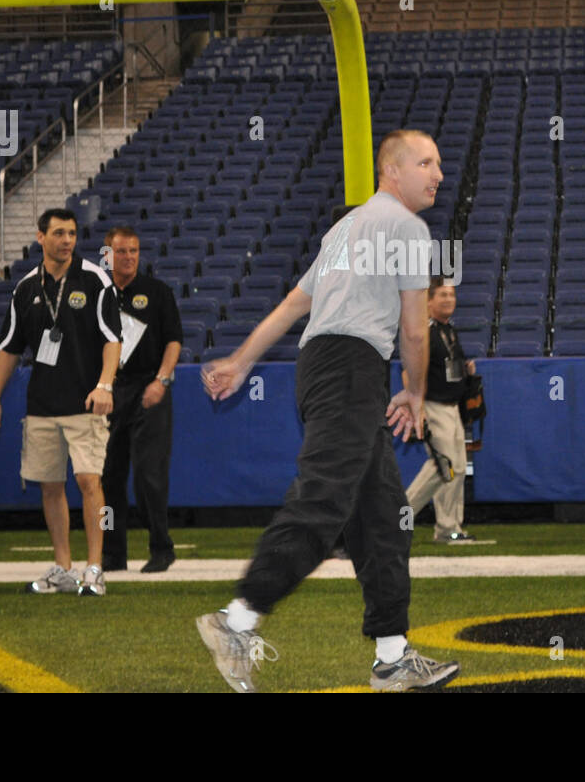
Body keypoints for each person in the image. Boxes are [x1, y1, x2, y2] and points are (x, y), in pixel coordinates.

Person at [196, 129, 460, 693]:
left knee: (383, 518)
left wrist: (242, 362)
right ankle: (236, 621)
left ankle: (391, 659)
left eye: (440, 163)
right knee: (322, 504)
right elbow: (415, 328)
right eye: (426, 162)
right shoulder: (409, 228)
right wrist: (414, 392)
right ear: (392, 171)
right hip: (350, 367)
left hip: (321, 364)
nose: (439, 173)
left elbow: (296, 303)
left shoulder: (345, 228)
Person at [0, 208, 121, 596]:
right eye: (59, 233)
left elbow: (113, 338)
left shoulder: (95, 280)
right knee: (49, 485)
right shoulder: (26, 287)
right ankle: (63, 568)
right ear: (40, 237)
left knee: (89, 480)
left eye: (72, 234)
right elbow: (10, 347)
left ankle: (94, 568)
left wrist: (105, 385)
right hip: (42, 403)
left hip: (85, 402)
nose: (67, 241)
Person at [99, 225, 183, 573]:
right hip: (109, 392)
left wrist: (161, 381)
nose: (129, 257)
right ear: (108, 255)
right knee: (107, 476)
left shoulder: (157, 291)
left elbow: (174, 341)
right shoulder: (96, 294)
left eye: (134, 251)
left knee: (150, 473)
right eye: (121, 251)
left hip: (150, 388)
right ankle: (112, 552)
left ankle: (161, 547)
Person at [404, 277, 476, 543]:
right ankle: (397, 518)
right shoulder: (426, 332)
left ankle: (449, 528)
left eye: (452, 295)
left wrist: (466, 373)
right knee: (443, 466)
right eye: (443, 295)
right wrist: (418, 409)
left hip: (452, 407)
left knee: (455, 467)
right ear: (429, 300)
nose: (449, 299)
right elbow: (407, 373)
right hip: (433, 405)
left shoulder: (449, 331)